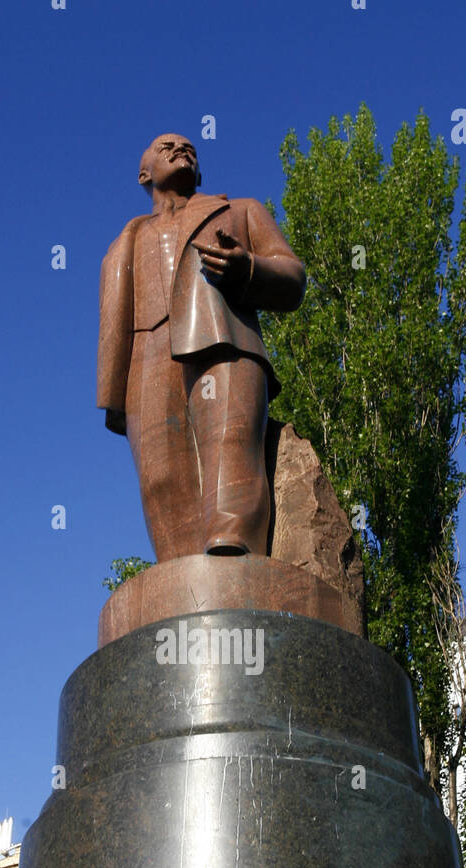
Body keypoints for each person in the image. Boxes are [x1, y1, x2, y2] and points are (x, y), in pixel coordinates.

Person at [97, 133, 306, 560]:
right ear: (143, 174)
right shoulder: (126, 242)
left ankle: (237, 556)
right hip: (147, 359)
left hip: (222, 337)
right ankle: (181, 585)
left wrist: (248, 270)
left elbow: (293, 278)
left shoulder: (240, 211)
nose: (180, 149)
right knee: (161, 481)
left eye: (189, 146)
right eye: (165, 147)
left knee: (230, 446)